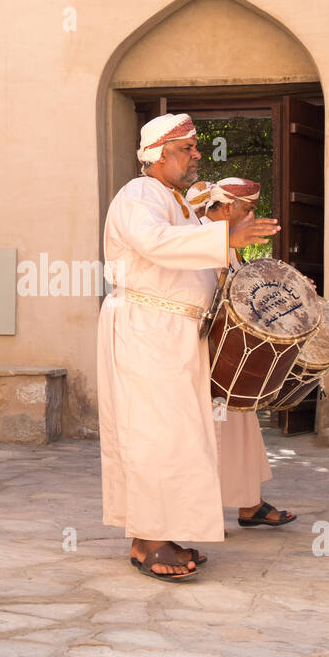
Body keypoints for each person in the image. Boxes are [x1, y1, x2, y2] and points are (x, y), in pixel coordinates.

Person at [98, 114, 279, 580]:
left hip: (172, 333)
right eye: (188, 147)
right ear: (158, 154)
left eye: (195, 147)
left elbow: (191, 260)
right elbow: (156, 245)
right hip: (147, 330)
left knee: (176, 438)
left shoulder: (175, 202)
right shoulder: (138, 196)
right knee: (153, 435)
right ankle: (148, 542)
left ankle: (157, 532)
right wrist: (224, 236)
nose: (198, 154)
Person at [202, 178, 295, 528]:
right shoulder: (195, 239)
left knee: (240, 431)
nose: (251, 216)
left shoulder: (230, 245)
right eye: (246, 210)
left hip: (231, 361)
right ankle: (204, 510)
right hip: (207, 360)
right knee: (214, 435)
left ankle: (249, 503)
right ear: (226, 208)